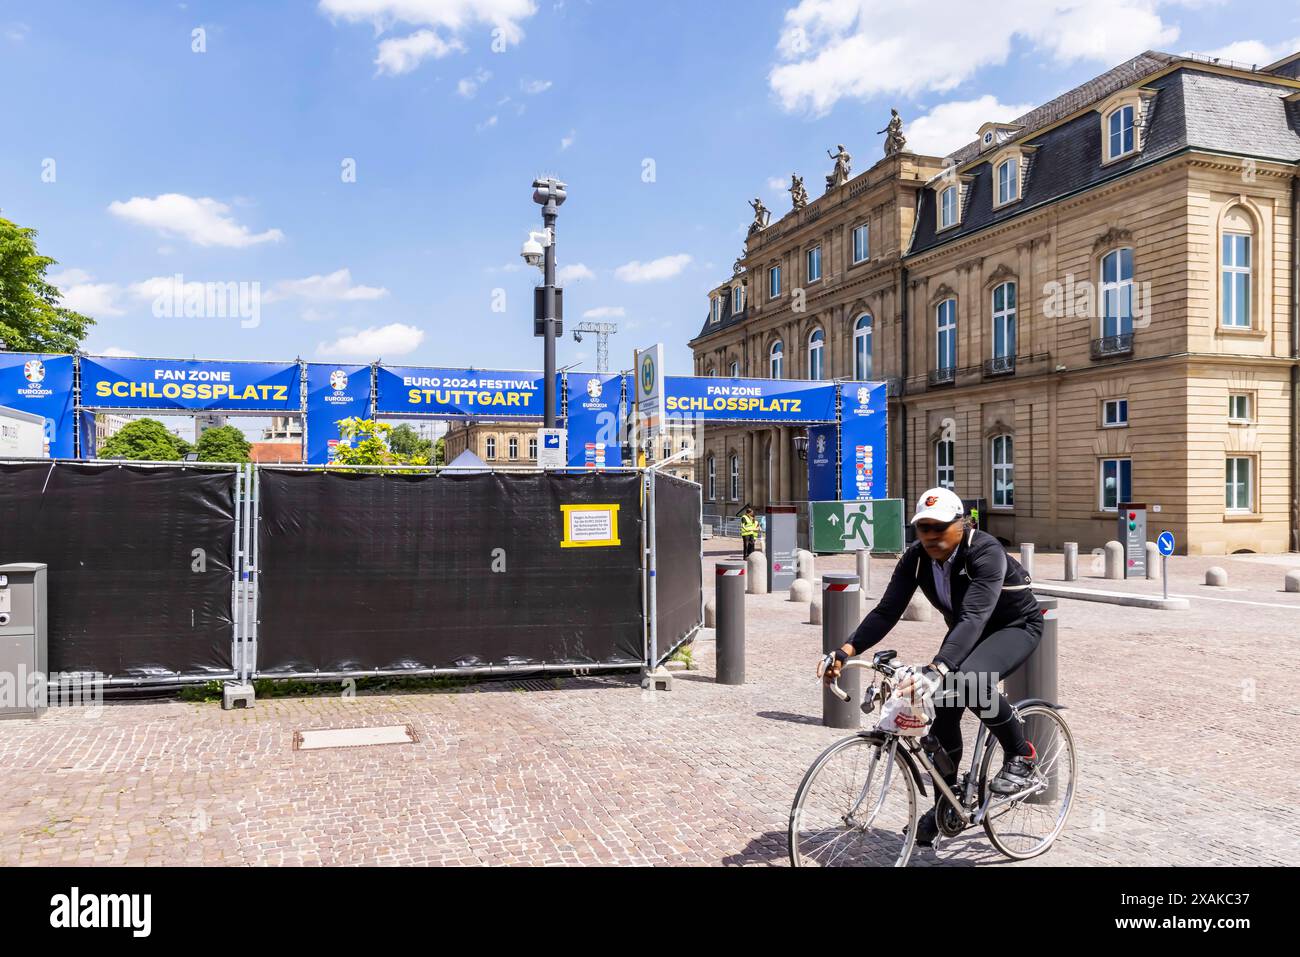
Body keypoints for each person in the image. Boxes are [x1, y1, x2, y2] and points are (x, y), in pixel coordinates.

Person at [820, 487, 1042, 848]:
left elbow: (974, 615)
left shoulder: (985, 551)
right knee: (945, 713)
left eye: (939, 527)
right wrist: (845, 650)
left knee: (970, 682)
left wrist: (938, 668)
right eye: (923, 528)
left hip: (1012, 627)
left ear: (962, 523)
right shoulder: (917, 559)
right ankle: (948, 805)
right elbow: (887, 610)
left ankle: (1022, 755)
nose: (931, 536)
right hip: (966, 633)